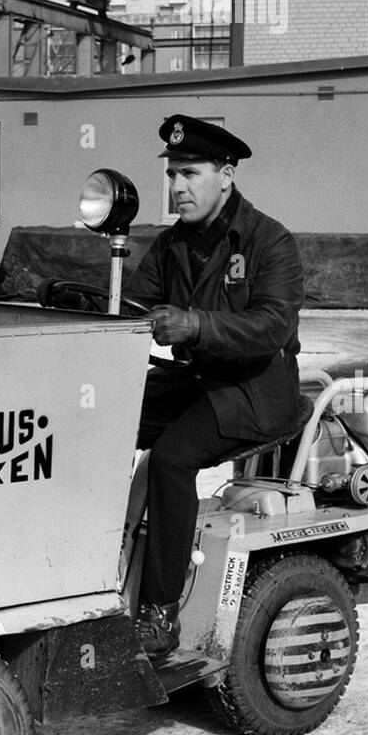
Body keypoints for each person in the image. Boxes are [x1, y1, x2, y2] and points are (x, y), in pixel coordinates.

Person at [125, 114, 305, 658]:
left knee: (171, 459)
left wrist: (195, 324)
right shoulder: (170, 245)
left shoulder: (269, 240)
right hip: (196, 382)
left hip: (255, 389)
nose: (178, 187)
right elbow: (133, 306)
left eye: (191, 173)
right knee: (100, 425)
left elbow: (274, 325)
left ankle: (160, 613)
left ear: (225, 175)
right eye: (173, 175)